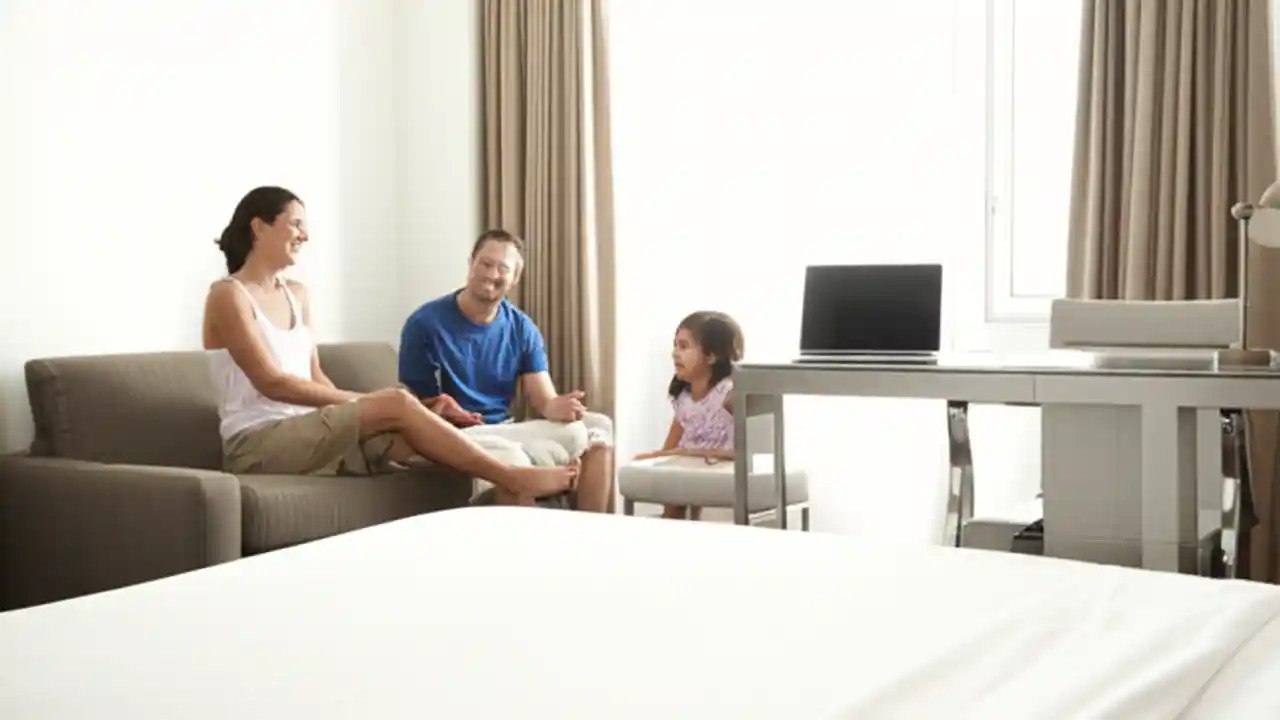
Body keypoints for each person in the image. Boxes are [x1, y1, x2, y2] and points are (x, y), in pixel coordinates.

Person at [201, 186, 577, 500]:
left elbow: (316, 378)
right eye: (296, 223)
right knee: (397, 404)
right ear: (259, 227)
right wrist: (376, 404)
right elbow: (273, 383)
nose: (306, 235)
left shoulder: (297, 294)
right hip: (255, 444)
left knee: (424, 436)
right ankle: (511, 475)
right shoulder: (228, 296)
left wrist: (421, 411)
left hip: (309, 431)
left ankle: (508, 489)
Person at [398, 229, 614, 511]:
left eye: (503, 268)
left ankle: (589, 538)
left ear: (515, 279)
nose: (491, 275)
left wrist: (558, 407)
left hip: (506, 428)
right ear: (471, 264)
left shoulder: (522, 328)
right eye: (485, 264)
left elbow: (545, 400)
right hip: (456, 437)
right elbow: (414, 413)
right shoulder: (424, 324)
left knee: (599, 428)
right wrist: (444, 409)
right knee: (517, 460)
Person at [634, 311, 744, 521]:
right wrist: (655, 457)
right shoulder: (684, 399)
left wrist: (683, 453)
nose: (675, 353)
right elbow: (670, 445)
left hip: (717, 463)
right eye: (675, 345)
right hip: (687, 464)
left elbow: (746, 446)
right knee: (673, 491)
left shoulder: (727, 394)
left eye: (684, 346)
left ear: (711, 356)